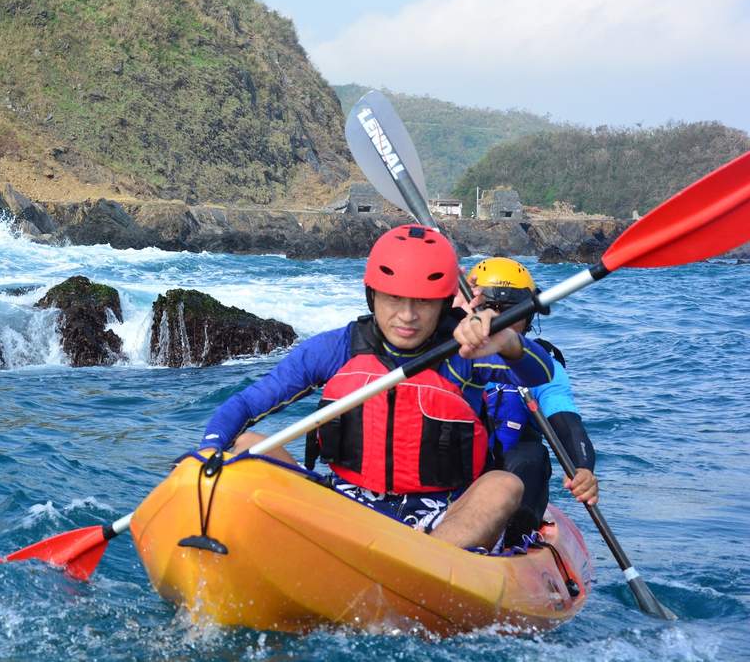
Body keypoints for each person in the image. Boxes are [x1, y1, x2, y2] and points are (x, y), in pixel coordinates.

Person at [200, 224, 555, 551]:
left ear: (445, 303)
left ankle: (422, 562)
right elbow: (247, 405)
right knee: (246, 446)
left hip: (438, 516)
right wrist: (207, 451)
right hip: (344, 503)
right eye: (393, 299)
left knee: (504, 486)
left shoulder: (467, 350)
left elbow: (542, 373)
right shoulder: (338, 347)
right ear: (372, 296)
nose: (407, 316)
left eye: (423, 301)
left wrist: (508, 340)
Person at [467, 257, 598, 541]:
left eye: (511, 311)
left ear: (528, 316)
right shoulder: (450, 355)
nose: (499, 320)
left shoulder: (542, 367)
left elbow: (566, 423)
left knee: (531, 456)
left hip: (514, 480)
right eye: (489, 309)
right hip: (458, 474)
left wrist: (583, 467)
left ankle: (512, 538)